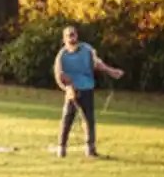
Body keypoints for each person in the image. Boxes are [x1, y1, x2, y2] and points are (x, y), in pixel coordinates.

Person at [53, 26, 124, 158]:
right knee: (67, 119)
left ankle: (90, 149)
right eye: (68, 35)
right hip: (72, 91)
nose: (71, 38)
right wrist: (67, 89)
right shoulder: (61, 56)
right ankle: (61, 148)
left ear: (77, 36)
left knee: (89, 120)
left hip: (87, 89)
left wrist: (112, 71)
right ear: (64, 39)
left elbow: (97, 64)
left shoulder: (87, 50)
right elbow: (59, 75)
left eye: (73, 35)